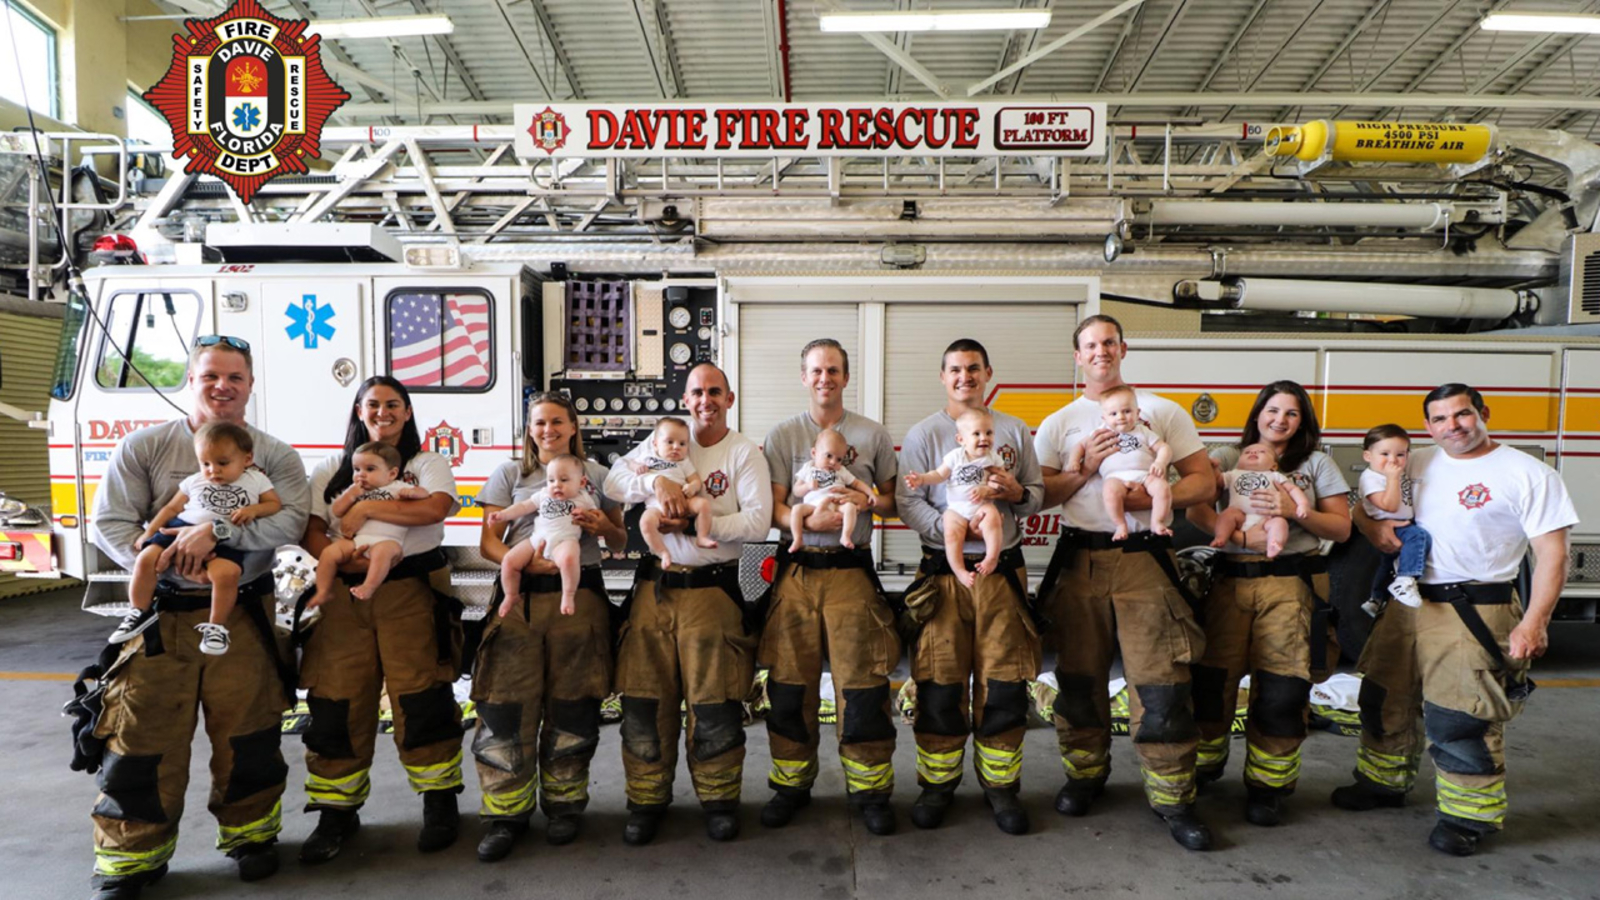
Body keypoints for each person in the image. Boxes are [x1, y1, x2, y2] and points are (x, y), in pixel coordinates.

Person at [87, 335, 309, 899]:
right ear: (191, 379)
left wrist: (218, 532)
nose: (223, 387)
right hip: (160, 619)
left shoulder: (274, 455)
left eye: (235, 377)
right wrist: (160, 561)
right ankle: (131, 858)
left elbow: (288, 524)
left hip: (240, 613)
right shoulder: (144, 448)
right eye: (211, 375)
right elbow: (111, 523)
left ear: (250, 385)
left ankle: (251, 836)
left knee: (250, 731)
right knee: (140, 739)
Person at [1331, 384, 1575, 857]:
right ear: (1428, 426)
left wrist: (1536, 621)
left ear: (1483, 413)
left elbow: (1554, 554)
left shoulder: (1527, 473)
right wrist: (1373, 527)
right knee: (1384, 698)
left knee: (1462, 716)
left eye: (1462, 415)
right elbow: (1366, 507)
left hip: (1476, 607)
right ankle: (1383, 784)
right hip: (1408, 603)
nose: (1452, 427)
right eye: (1440, 420)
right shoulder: (1414, 460)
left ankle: (1469, 817)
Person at [1034, 315, 1216, 851]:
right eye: (1089, 345)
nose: (1100, 352)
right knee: (1079, 678)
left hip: (1145, 561)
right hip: (1081, 561)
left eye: (1108, 342)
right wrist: (1083, 469)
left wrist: (1150, 499)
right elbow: (1040, 497)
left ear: (1123, 348)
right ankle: (1084, 776)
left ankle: (1172, 796)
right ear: (1077, 356)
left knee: (1161, 682)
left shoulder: (1163, 411)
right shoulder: (1061, 422)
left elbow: (1204, 481)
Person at [297, 376, 464, 863]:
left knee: (424, 695)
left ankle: (439, 803)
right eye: (373, 404)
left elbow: (435, 509)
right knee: (336, 700)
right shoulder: (334, 466)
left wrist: (370, 504)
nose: (383, 412)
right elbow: (311, 526)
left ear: (408, 413)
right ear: (357, 410)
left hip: (412, 591)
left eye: (394, 405)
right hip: (346, 595)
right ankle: (336, 813)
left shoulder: (424, 464)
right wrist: (336, 556)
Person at [604, 363, 772, 845]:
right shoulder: (668, 438)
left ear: (729, 398)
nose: (705, 400)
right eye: (697, 392)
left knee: (715, 702)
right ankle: (645, 801)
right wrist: (655, 484)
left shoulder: (742, 453)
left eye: (714, 392)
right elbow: (616, 482)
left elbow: (758, 524)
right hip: (654, 592)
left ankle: (719, 800)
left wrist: (700, 527)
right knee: (643, 700)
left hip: (712, 592)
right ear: (686, 397)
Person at [1186, 380, 1352, 827]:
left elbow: (1340, 529)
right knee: (1210, 683)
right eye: (1272, 410)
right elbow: (1195, 508)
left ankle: (1268, 786)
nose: (1280, 420)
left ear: (1304, 421)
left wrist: (1295, 509)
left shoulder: (1316, 464)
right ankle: (1204, 767)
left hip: (1291, 586)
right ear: (1257, 413)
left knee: (1282, 690)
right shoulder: (1225, 456)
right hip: (1229, 585)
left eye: (1292, 413)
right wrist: (1237, 536)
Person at [896, 338, 1043, 836]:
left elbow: (1035, 495)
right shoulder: (923, 434)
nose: (965, 377)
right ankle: (938, 786)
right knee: (940, 682)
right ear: (943, 376)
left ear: (988, 373)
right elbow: (907, 503)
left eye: (974, 369)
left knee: (1004, 682)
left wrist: (1014, 493)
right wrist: (955, 530)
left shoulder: (1015, 430)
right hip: (943, 575)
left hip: (1002, 576)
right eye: (955, 370)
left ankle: (1001, 789)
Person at [471, 392, 627, 862]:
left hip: (578, 602)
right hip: (518, 606)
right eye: (539, 422)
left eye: (557, 421)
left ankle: (564, 806)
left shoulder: (598, 476)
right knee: (504, 708)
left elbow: (620, 539)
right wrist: (527, 566)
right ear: (529, 427)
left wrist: (601, 525)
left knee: (573, 707)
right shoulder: (510, 475)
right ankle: (506, 815)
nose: (547, 430)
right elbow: (486, 543)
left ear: (574, 425)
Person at [758, 339, 901, 835]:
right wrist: (806, 517)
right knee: (788, 686)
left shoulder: (872, 434)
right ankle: (791, 785)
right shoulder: (781, 436)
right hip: (797, 573)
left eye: (834, 370)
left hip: (850, 573)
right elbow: (773, 507)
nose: (825, 378)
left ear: (845, 376)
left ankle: (870, 790)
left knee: (862, 687)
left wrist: (863, 505)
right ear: (804, 376)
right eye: (817, 370)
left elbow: (891, 503)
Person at [111, 420, 283, 655]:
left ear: (247, 459)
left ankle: (216, 627)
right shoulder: (194, 481)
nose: (213, 470)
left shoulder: (256, 480)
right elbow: (171, 509)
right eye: (206, 463)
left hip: (225, 536)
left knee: (227, 574)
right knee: (146, 559)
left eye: (222, 463)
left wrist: (253, 510)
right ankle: (138, 611)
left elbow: (274, 504)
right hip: (180, 527)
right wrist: (148, 534)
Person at [307, 442, 430, 608]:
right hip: (357, 541)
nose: (361, 475)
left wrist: (414, 492)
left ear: (392, 474)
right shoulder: (355, 491)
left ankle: (369, 586)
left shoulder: (397, 487)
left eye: (370, 469)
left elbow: (425, 495)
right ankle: (323, 590)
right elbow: (337, 511)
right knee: (329, 552)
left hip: (388, 541)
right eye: (357, 469)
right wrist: (350, 495)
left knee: (382, 553)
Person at [903, 407, 1006, 586]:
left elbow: (1002, 484)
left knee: (993, 518)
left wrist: (987, 491)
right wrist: (921, 479)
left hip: (981, 506)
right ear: (961, 439)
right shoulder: (955, 457)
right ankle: (959, 570)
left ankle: (991, 557)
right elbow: (939, 475)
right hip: (956, 509)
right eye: (976, 434)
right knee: (950, 532)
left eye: (989, 433)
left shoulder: (994, 459)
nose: (984, 438)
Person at [487, 453, 598, 614]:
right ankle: (511, 595)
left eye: (564, 480)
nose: (556, 485)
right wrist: (502, 515)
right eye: (551, 480)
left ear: (581, 482)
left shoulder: (584, 498)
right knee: (509, 561)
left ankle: (568, 595)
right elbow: (523, 507)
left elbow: (596, 516)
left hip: (565, 540)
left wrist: (588, 516)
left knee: (568, 560)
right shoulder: (544, 494)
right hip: (537, 539)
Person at [1066, 384, 1174, 541]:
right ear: (1104, 418)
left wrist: (1160, 462)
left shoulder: (1143, 431)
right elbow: (1080, 446)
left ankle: (1157, 522)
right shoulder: (1102, 432)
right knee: (1109, 492)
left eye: (1127, 411)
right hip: (1115, 477)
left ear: (1138, 413)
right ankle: (1120, 525)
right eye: (1113, 413)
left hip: (1145, 476)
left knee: (1163, 488)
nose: (1120, 417)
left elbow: (1164, 448)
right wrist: (1074, 460)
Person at [630, 416, 718, 568]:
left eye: (682, 444)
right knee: (645, 523)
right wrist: (637, 467)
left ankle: (702, 536)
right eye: (670, 442)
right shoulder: (648, 458)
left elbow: (696, 480)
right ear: (655, 444)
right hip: (655, 506)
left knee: (703, 504)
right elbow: (629, 463)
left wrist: (692, 487)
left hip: (683, 500)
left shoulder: (683, 463)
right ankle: (662, 552)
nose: (676, 447)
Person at [1358, 424, 1429, 608]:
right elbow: (1389, 506)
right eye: (1385, 454)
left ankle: (1376, 598)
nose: (1393, 461)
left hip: (1402, 520)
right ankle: (1405, 580)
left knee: (1387, 564)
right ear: (1367, 456)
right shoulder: (1371, 478)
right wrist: (1392, 479)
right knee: (1418, 536)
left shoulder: (1392, 472)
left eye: (1400, 454)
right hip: (1389, 524)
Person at [1209, 443, 1312, 559]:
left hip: (1268, 518)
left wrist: (1303, 505)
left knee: (1280, 523)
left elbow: (1293, 489)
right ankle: (1221, 537)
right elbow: (1216, 481)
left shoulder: (1275, 475)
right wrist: (1211, 469)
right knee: (1226, 515)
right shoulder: (1233, 474)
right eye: (1247, 452)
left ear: (1274, 466)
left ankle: (1274, 543)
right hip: (1239, 516)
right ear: (1238, 463)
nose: (1253, 453)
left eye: (1261, 452)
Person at [785, 427, 873, 552]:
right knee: (796, 509)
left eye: (839, 459)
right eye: (829, 456)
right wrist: (808, 486)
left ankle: (845, 536)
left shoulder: (841, 471)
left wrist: (870, 493)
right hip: (812, 507)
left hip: (836, 504)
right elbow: (796, 490)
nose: (833, 462)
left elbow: (857, 483)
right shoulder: (808, 468)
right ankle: (798, 539)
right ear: (814, 453)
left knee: (850, 508)